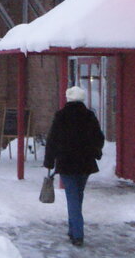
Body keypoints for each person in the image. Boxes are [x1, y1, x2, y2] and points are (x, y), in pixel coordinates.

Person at [44, 85, 105, 247]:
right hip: (85, 164)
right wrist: (96, 152)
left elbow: (52, 140)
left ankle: (77, 234)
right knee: (78, 195)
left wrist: (49, 162)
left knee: (72, 198)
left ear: (68, 99)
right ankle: (73, 230)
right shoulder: (89, 116)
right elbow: (99, 138)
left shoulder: (61, 116)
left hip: (66, 163)